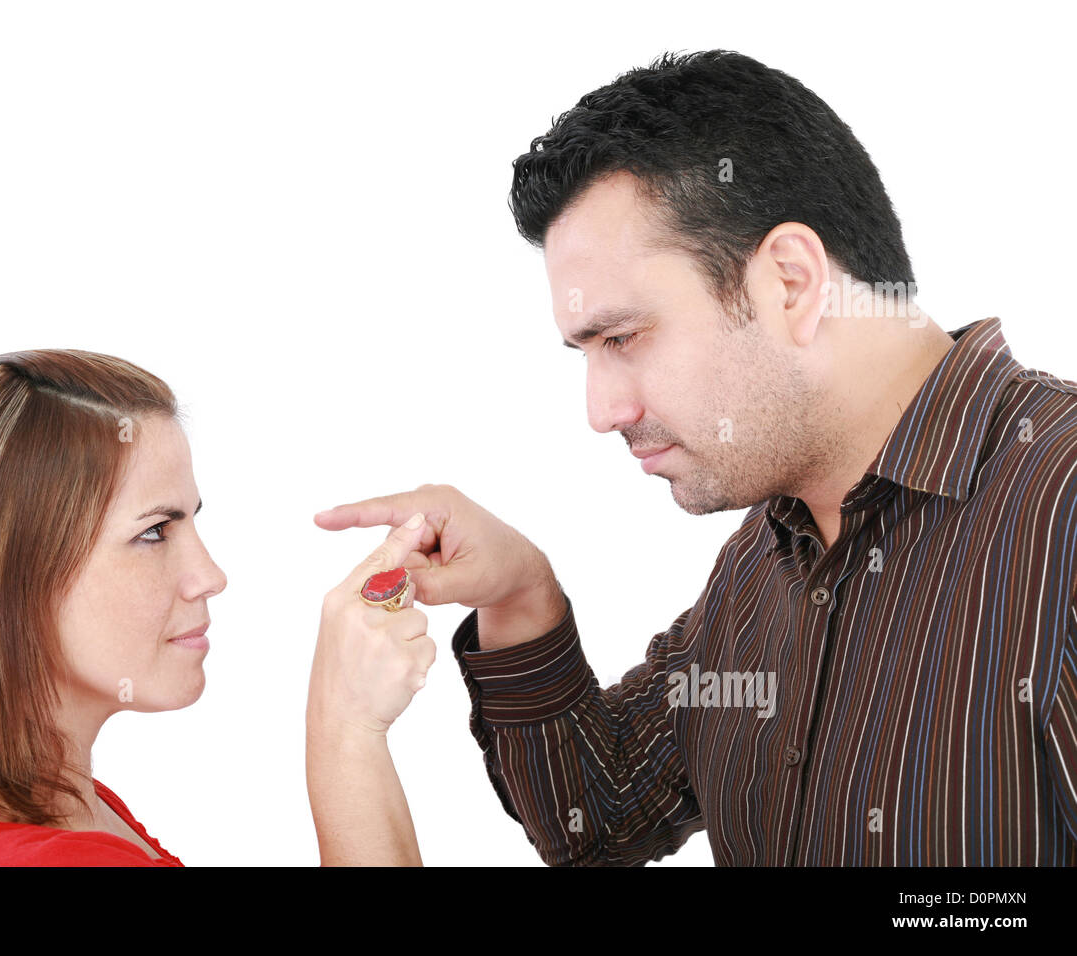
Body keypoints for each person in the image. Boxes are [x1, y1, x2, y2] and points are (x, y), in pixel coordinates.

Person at [314, 50, 1077, 865]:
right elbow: (600, 816)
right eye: (587, 353)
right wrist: (521, 597)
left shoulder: (1058, 507)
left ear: (789, 281)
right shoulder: (766, 556)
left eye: (623, 337)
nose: (603, 412)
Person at [0, 350, 432, 866]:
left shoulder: (70, 808)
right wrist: (346, 729)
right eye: (154, 532)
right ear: (8, 576)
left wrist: (522, 596)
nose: (210, 577)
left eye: (192, 519)